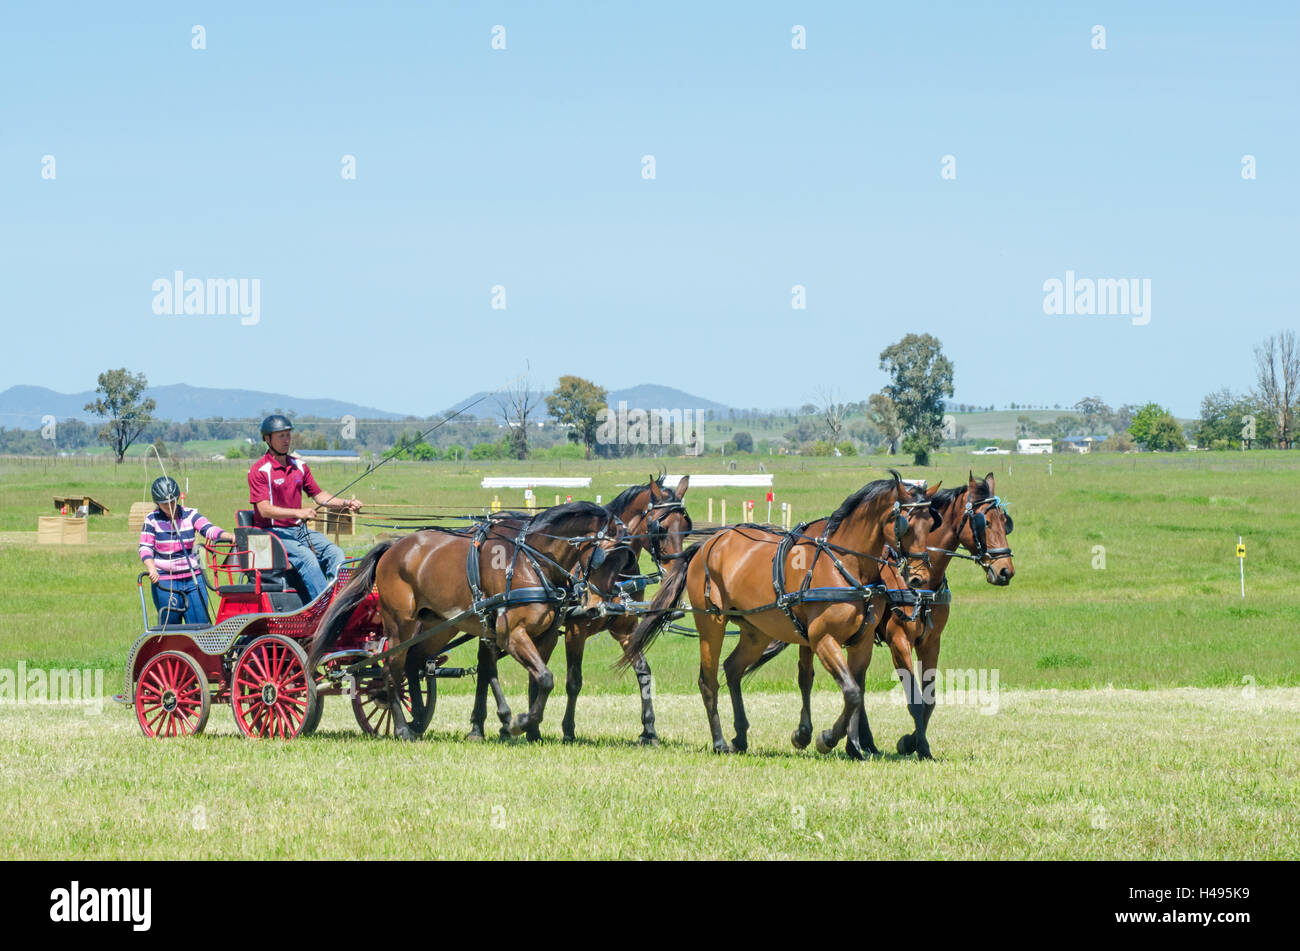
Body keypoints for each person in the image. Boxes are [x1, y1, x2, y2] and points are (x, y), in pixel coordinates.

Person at [247, 414, 363, 601]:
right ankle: (324, 607)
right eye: (281, 436)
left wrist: (346, 503)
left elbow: (319, 496)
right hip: (271, 534)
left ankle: (341, 601)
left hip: (298, 531)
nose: (286, 440)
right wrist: (298, 512)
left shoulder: (300, 466)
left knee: (336, 553)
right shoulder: (260, 470)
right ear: (267, 439)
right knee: (307, 558)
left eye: (288, 435)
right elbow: (264, 509)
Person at [139, 476, 234, 626]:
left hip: (193, 579)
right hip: (165, 581)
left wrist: (229, 536)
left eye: (172, 502)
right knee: (171, 627)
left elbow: (208, 529)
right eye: (165, 504)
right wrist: (151, 569)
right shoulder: (151, 520)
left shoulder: (190, 515)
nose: (169, 506)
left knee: (201, 624)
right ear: (157, 503)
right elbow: (145, 547)